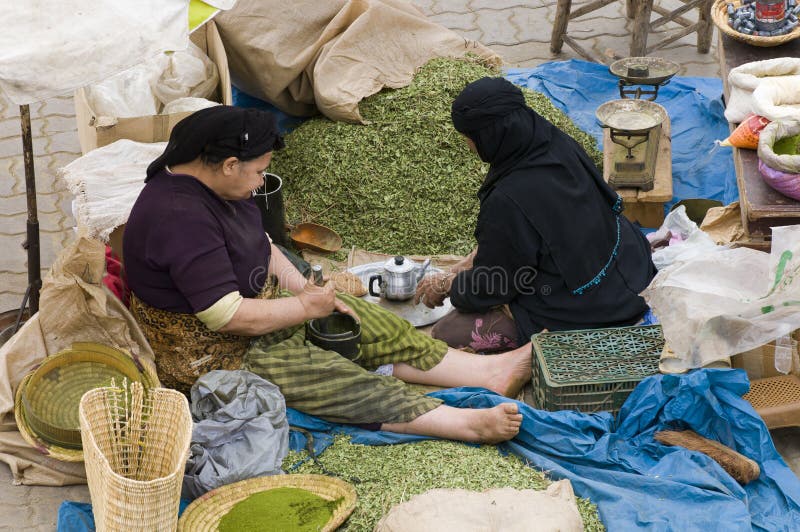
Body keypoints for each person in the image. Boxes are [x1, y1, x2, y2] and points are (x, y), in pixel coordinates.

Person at [123, 105, 531, 444]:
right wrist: (302, 308)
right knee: (330, 376)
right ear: (229, 165)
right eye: (258, 171)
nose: (262, 180)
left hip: (256, 310)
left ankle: (487, 373)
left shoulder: (221, 187)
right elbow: (226, 317)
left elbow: (262, 246)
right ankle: (462, 425)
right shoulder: (180, 218)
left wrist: (305, 290)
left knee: (365, 320)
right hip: (215, 352)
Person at [415, 78, 656, 353]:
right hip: (630, 264)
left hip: (594, 307)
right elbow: (537, 229)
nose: (468, 145)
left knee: (447, 332)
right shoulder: (553, 141)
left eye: (470, 137)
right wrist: (469, 262)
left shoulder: (507, 200)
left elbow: (497, 286)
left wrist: (450, 285)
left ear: (492, 136)